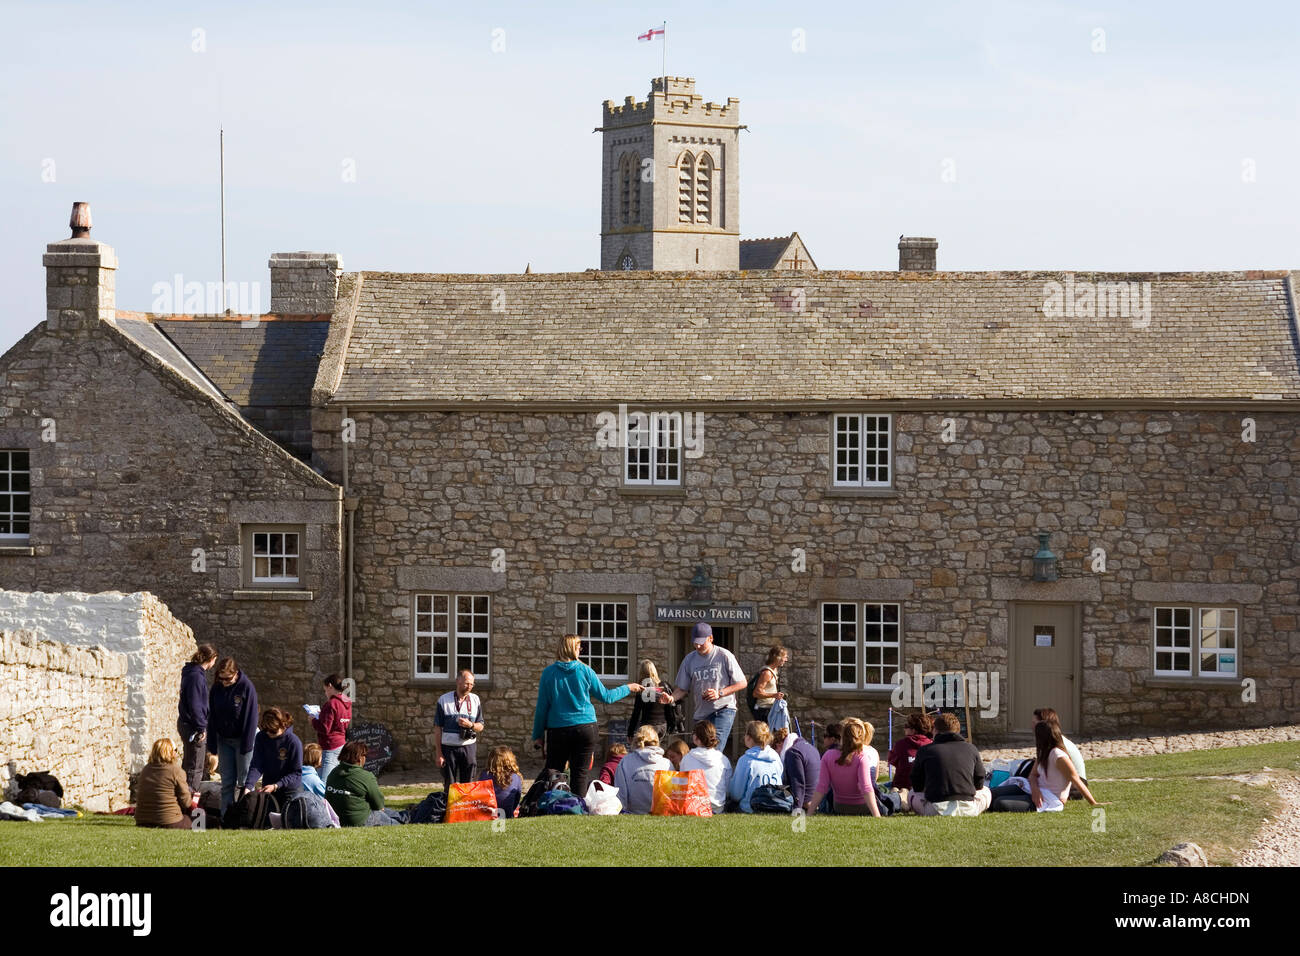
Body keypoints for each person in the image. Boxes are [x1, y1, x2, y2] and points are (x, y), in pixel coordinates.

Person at [531, 634, 643, 797]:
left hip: (558, 730)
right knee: (580, 774)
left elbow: (542, 708)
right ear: (571, 648)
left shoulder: (548, 673)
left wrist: (538, 735)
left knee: (554, 772)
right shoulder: (585, 670)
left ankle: (553, 805)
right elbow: (607, 696)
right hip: (585, 728)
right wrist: (628, 687)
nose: (581, 650)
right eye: (579, 647)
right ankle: (578, 808)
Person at [992, 721, 1104, 812]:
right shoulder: (1043, 752)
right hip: (1032, 789)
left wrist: (1094, 803)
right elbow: (1033, 775)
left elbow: (1075, 779)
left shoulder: (1058, 755)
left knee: (1000, 803)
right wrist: (1035, 790)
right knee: (993, 793)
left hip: (1048, 798)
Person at [670, 623, 746, 751]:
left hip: (723, 710)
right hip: (701, 714)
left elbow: (742, 682)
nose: (698, 646)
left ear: (710, 638)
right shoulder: (689, 660)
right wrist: (671, 698)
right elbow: (682, 689)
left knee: (713, 751)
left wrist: (719, 693)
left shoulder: (724, 655)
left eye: (701, 642)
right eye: (695, 643)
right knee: (701, 750)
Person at [908, 712, 991, 816]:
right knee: (986, 791)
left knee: (911, 794)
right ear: (958, 731)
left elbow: (916, 784)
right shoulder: (971, 749)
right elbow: (979, 782)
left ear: (935, 730)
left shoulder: (925, 750)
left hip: (936, 808)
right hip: (968, 807)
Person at [206, 657, 259, 815]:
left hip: (242, 741)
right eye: (221, 678)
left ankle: (246, 816)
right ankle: (226, 817)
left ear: (236, 674)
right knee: (227, 782)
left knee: (245, 782)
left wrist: (247, 746)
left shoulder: (246, 687)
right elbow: (213, 717)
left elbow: (251, 718)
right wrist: (212, 745)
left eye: (228, 679)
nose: (224, 682)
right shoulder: (216, 688)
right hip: (224, 740)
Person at [805, 718, 881, 817]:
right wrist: (877, 815)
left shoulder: (828, 755)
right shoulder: (862, 757)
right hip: (862, 806)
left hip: (839, 806)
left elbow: (822, 786)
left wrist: (809, 813)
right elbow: (866, 788)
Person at [325, 740, 405, 826]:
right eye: (365, 755)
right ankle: (409, 817)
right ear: (360, 758)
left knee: (391, 812)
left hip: (336, 819)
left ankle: (406, 815)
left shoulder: (333, 773)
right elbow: (378, 806)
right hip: (359, 820)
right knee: (395, 822)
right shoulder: (366, 776)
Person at [177, 644, 217, 794]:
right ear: (212, 659)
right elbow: (196, 704)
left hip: (187, 723)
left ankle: (183, 798)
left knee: (188, 764)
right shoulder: (195, 676)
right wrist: (201, 727)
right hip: (193, 726)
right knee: (195, 767)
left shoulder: (191, 672)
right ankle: (190, 802)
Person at [436, 669, 484, 791]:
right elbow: (438, 728)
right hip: (448, 748)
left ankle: (466, 810)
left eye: (472, 684)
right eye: (467, 683)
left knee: (468, 786)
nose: (469, 687)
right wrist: (439, 754)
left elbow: (481, 726)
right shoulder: (443, 700)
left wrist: (470, 725)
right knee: (449, 786)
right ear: (458, 681)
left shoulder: (475, 700)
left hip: (468, 748)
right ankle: (450, 810)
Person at [245, 706, 304, 802]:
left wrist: (277, 785)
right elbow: (257, 764)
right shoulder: (261, 737)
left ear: (283, 725)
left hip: (289, 791)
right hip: (269, 789)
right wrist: (248, 786)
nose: (268, 733)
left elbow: (296, 773)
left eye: (273, 731)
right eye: (265, 729)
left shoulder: (293, 742)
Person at [612, 725, 672, 814]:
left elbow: (621, 793)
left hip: (633, 813)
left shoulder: (625, 761)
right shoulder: (667, 764)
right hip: (661, 813)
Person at [135, 738, 194, 829]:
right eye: (175, 750)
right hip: (168, 821)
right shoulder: (176, 770)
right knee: (200, 818)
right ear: (170, 752)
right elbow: (186, 802)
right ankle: (201, 832)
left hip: (142, 821)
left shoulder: (145, 769)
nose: (176, 753)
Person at [728, 721, 785, 813]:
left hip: (750, 807)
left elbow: (736, 794)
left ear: (749, 738)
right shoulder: (776, 757)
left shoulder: (745, 760)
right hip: (774, 805)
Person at [680, 721, 733, 814]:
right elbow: (728, 789)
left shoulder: (687, 758)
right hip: (717, 807)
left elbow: (682, 785)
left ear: (696, 738)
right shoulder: (723, 760)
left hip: (693, 807)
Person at [1034, 707, 1088, 797]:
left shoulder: (1057, 747)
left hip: (1075, 786)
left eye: (1034, 723)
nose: (1032, 726)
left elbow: (1074, 777)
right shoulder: (1051, 741)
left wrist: (1094, 803)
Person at [310, 673, 352, 782]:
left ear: (330, 686)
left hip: (330, 746)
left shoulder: (331, 704)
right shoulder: (347, 702)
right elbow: (343, 722)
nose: (325, 694)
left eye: (325, 690)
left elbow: (324, 728)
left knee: (324, 782)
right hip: (341, 744)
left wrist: (313, 720)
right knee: (335, 781)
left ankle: (321, 800)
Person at [627, 659, 679, 739]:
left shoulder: (642, 689)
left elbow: (636, 713)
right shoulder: (664, 686)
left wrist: (630, 733)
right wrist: (671, 725)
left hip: (647, 726)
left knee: (647, 749)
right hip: (662, 726)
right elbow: (669, 708)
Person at [774, 723, 821, 810]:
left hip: (805, 802)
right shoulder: (811, 748)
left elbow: (798, 783)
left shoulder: (793, 752)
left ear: (779, 744)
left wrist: (796, 808)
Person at [886, 712, 934, 795]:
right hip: (925, 788)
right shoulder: (932, 745)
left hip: (901, 786)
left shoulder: (900, 744)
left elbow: (891, 760)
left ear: (914, 730)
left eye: (906, 726)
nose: (904, 729)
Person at [479, 745, 524, 818]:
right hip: (507, 814)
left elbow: (480, 796)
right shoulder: (516, 777)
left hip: (487, 815)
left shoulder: (485, 775)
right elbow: (517, 799)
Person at [748, 645, 787, 725]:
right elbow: (756, 693)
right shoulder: (766, 673)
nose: (786, 660)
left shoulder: (774, 670)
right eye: (785, 657)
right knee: (765, 736)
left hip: (769, 709)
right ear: (777, 658)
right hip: (763, 710)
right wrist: (774, 695)